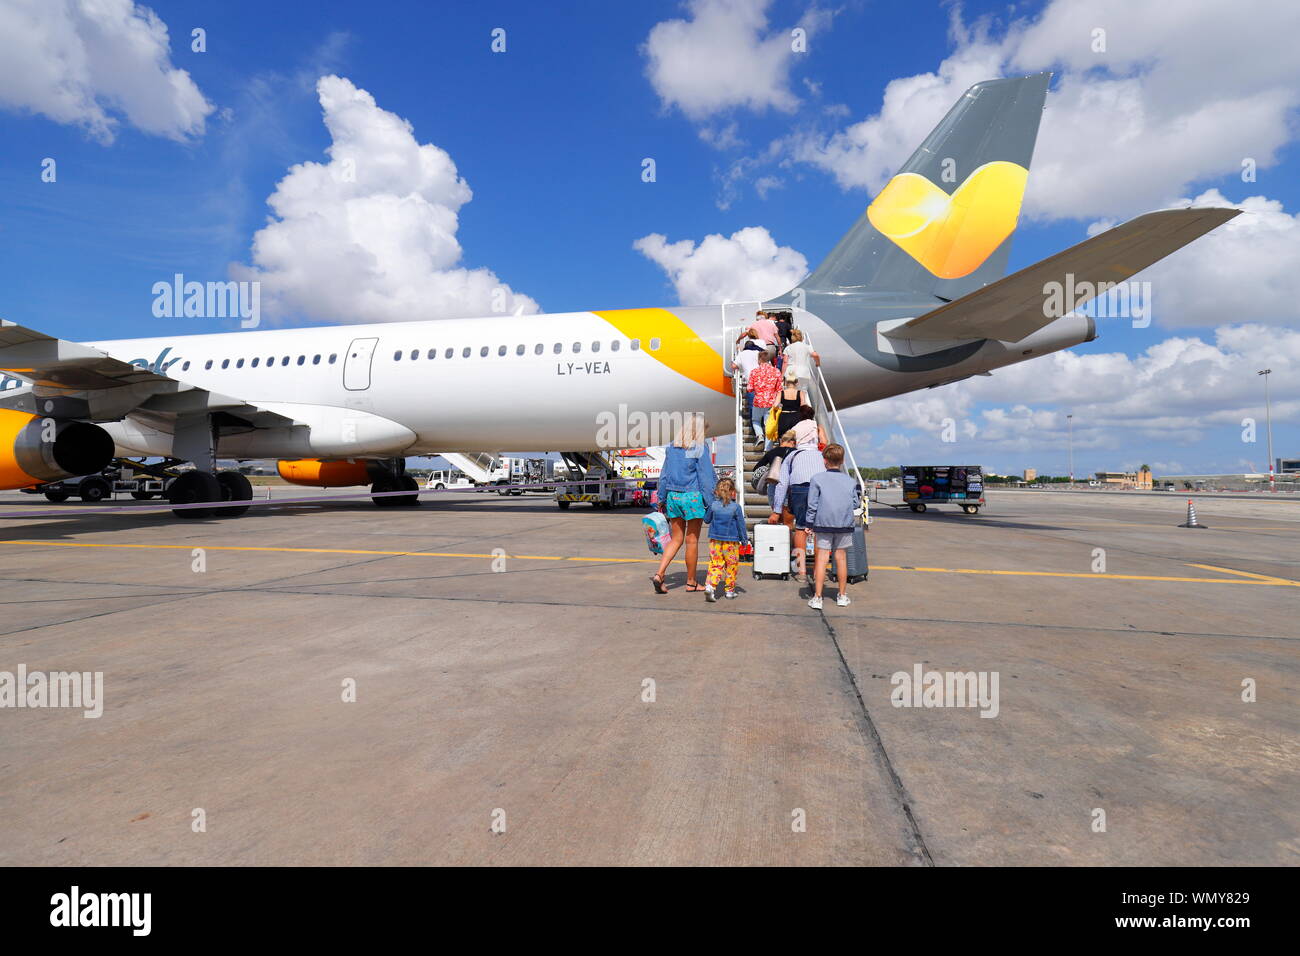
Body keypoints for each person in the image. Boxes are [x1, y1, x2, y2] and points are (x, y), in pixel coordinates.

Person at [652, 413, 716, 594]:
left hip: (673, 497)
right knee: (692, 540)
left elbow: (664, 476)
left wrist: (661, 499)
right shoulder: (700, 448)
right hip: (692, 497)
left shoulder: (672, 448)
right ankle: (691, 582)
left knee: (676, 539)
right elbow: (705, 479)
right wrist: (712, 503)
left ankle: (659, 574)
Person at [804, 444, 862, 609]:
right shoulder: (850, 481)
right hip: (844, 524)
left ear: (825, 461)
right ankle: (842, 595)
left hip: (823, 524)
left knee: (822, 559)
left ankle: (817, 597)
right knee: (841, 559)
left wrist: (809, 523)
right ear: (842, 461)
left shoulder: (817, 479)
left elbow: (812, 504)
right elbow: (855, 503)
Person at [767, 430, 825, 582]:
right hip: (820, 488)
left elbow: (782, 484)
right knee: (820, 532)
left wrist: (776, 510)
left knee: (800, 529)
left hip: (799, 489)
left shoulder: (792, 456)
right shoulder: (821, 454)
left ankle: (801, 571)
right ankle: (820, 572)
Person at [702, 476, 748, 602]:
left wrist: (706, 509)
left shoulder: (713, 505)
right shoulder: (736, 507)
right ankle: (729, 591)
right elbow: (741, 525)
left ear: (717, 491)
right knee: (731, 566)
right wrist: (744, 540)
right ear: (732, 491)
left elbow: (707, 520)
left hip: (715, 541)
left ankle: (710, 587)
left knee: (716, 564)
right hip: (731, 542)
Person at [747, 349, 782, 446]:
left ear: (759, 360)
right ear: (768, 360)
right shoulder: (776, 371)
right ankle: (768, 449)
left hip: (758, 402)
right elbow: (779, 389)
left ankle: (759, 435)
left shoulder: (754, 372)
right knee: (769, 425)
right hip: (771, 402)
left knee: (755, 421)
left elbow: (749, 389)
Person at [755, 432, 796, 512]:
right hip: (789, 485)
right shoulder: (795, 452)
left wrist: (770, 470)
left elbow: (757, 468)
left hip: (773, 483)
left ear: (781, 441)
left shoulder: (771, 452)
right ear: (791, 441)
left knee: (776, 514)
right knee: (788, 515)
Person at [775, 367, 811, 441]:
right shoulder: (800, 393)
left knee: (783, 439)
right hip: (796, 417)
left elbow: (775, 405)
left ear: (786, 383)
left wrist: (780, 407)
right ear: (796, 383)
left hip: (784, 417)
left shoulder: (781, 393)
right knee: (795, 439)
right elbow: (803, 405)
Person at [782, 329, 820, 396]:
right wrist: (817, 363)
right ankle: (802, 405)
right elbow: (815, 355)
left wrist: (782, 375)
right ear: (801, 337)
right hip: (803, 372)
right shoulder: (807, 347)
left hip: (791, 372)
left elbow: (785, 362)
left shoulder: (788, 348)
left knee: (791, 393)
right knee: (803, 393)